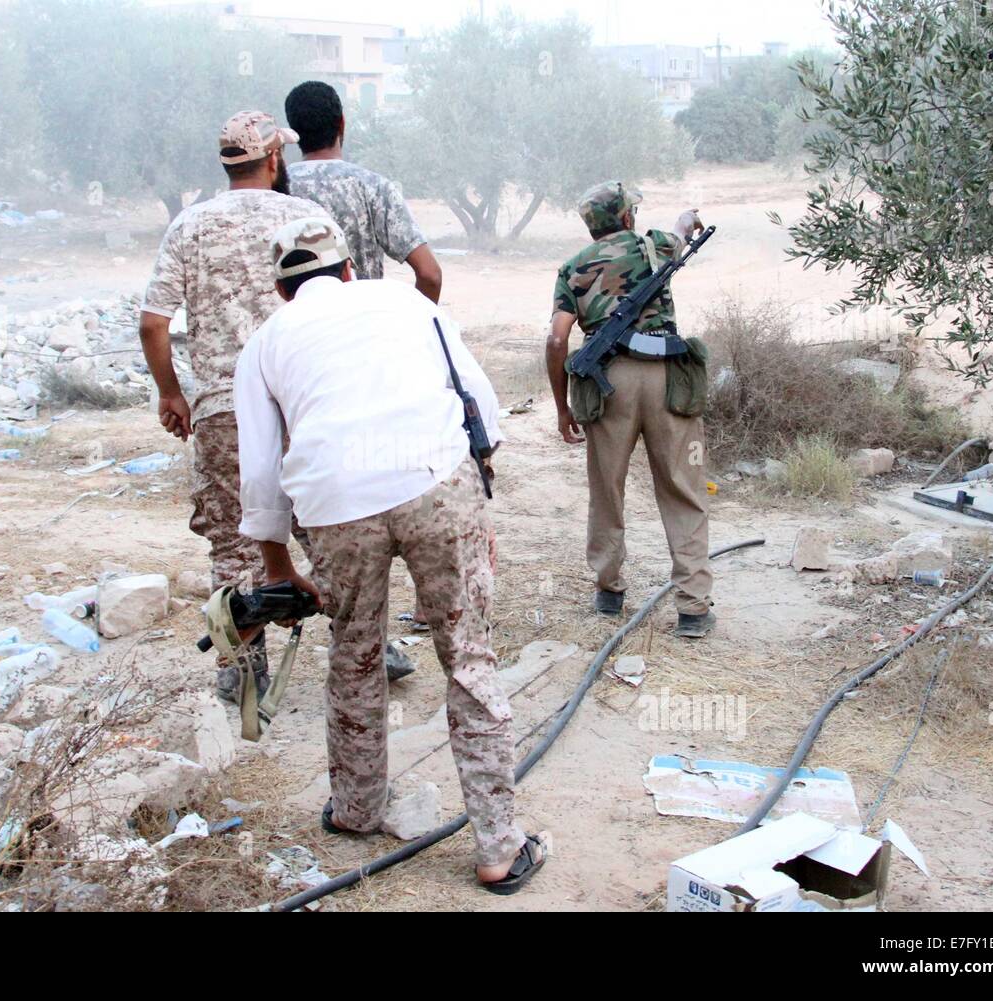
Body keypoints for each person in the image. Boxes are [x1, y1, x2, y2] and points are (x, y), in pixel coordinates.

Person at [233, 217, 547, 893]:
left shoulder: (264, 342)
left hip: (334, 503)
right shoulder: (410, 302)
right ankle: (498, 845)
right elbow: (482, 411)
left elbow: (258, 475)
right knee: (467, 656)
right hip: (435, 480)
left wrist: (281, 570)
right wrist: (474, 514)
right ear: (349, 269)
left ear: (282, 290)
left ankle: (355, 809)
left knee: (355, 654)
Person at [137, 110, 323, 701]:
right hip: (302, 403)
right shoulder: (306, 219)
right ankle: (365, 643)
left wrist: (172, 392)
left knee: (233, 540)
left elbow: (153, 323)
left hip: (223, 410)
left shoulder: (189, 226)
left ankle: (240, 667)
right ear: (274, 158)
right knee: (332, 528)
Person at [544, 180, 716, 638]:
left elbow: (558, 339)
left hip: (610, 387)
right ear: (626, 217)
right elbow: (681, 233)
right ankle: (694, 609)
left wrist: (562, 409)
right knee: (683, 491)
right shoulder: (655, 244)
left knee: (607, 490)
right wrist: (687, 213)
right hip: (667, 378)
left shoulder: (573, 267)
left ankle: (608, 592)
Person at [283, 80, 442, 302]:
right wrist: (411, 325)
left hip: (299, 331)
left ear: (293, 132)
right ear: (342, 124)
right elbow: (430, 275)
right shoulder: (374, 187)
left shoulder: (277, 191)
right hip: (365, 330)